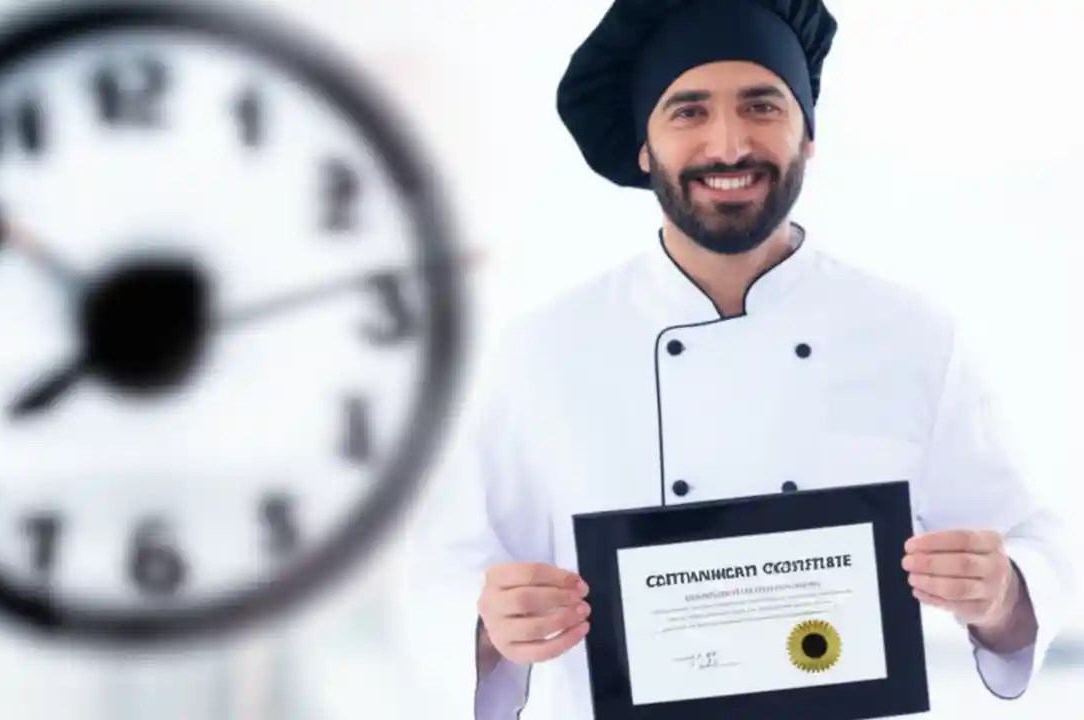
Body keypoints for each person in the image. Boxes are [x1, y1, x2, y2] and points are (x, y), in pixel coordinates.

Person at [400, 0, 1075, 718]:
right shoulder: (545, 351)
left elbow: (1035, 554)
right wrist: (490, 625)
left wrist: (1000, 592)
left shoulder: (911, 337)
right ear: (643, 146)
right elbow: (442, 580)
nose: (729, 145)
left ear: (807, 133)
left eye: (762, 105)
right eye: (689, 112)